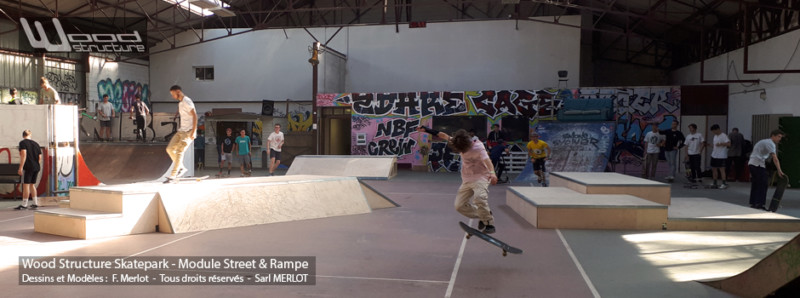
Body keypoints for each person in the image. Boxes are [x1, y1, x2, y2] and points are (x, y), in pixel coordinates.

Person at [417, 125, 498, 233]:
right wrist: (426, 130)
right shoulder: (457, 141)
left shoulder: (478, 146)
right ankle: (484, 215)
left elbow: (488, 161)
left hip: (481, 177)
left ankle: (489, 224)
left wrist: (493, 173)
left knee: (479, 198)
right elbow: (443, 135)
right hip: (467, 178)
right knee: (459, 206)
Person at [164, 85, 197, 183]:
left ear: (178, 91)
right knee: (169, 149)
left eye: (173, 94)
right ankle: (181, 167)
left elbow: (195, 115)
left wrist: (194, 131)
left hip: (189, 131)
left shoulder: (187, 101)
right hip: (181, 130)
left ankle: (173, 174)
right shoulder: (180, 103)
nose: (172, 96)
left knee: (179, 150)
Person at [748, 130, 786, 210]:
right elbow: (775, 158)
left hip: (753, 163)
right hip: (757, 165)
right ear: (773, 136)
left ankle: (754, 202)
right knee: (763, 184)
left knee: (756, 183)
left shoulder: (765, 141)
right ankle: (759, 204)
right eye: (778, 137)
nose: (779, 139)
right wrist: (779, 170)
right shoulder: (770, 143)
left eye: (780, 137)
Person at [14, 130, 42, 210]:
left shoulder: (23, 143)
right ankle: (35, 203)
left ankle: (24, 204)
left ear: (23, 136)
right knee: (32, 185)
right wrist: (36, 164)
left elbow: (24, 154)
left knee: (25, 185)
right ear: (30, 135)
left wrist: (21, 167)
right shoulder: (36, 144)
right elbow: (40, 157)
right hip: (36, 167)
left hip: (28, 167)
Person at [709, 124, 730, 189]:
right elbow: (715, 145)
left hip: (721, 155)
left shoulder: (724, 136)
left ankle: (724, 183)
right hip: (714, 155)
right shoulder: (715, 136)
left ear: (717, 129)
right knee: (714, 169)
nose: (713, 133)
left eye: (714, 131)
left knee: (722, 169)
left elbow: (729, 144)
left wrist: (721, 144)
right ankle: (714, 182)